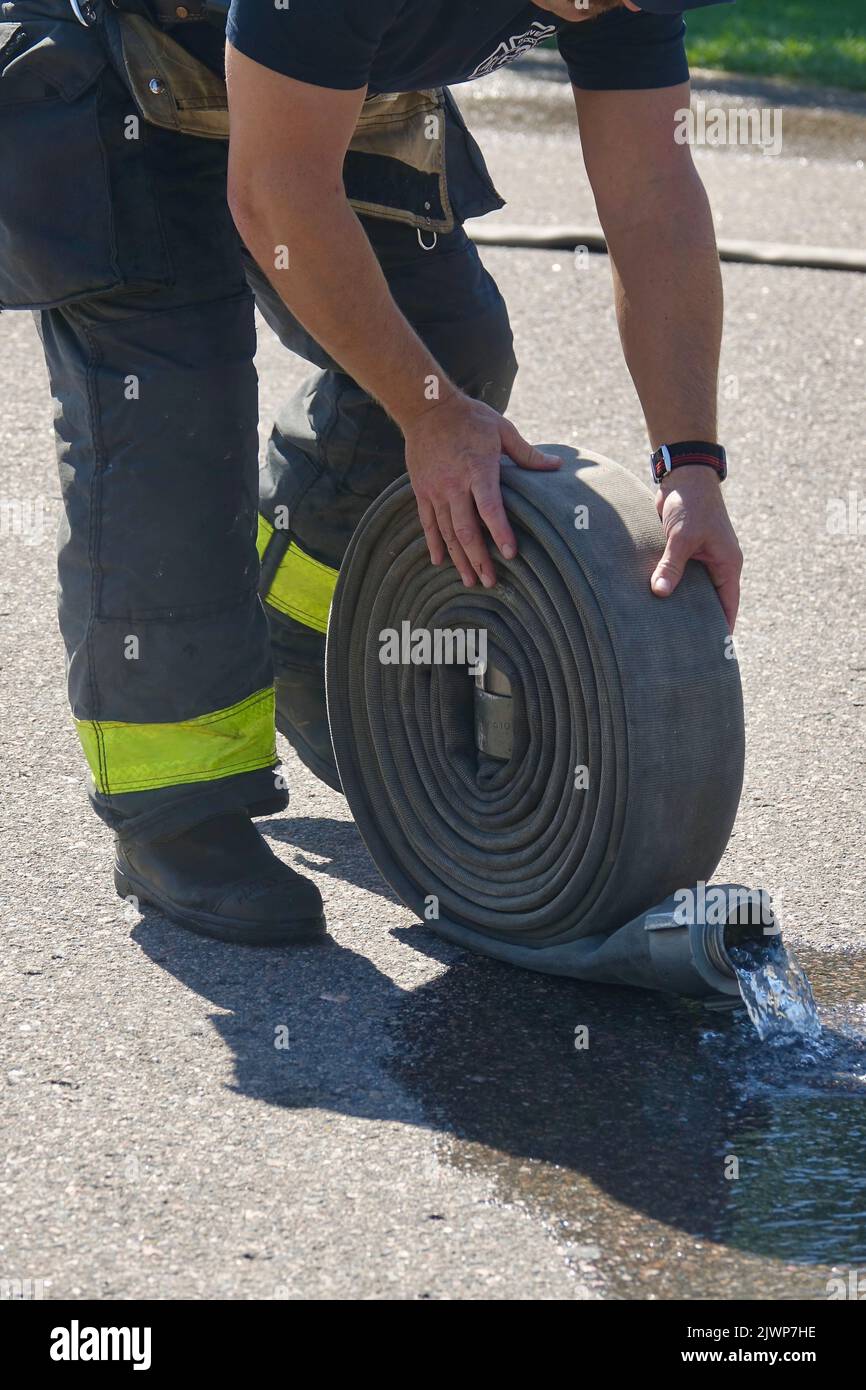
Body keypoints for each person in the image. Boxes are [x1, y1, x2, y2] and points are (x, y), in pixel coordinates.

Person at [0, 0, 740, 946]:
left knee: (449, 351)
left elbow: (652, 197)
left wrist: (693, 463)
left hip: (315, 88)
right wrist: (428, 417)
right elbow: (273, 194)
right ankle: (175, 811)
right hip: (125, 71)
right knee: (173, 419)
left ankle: (302, 630)